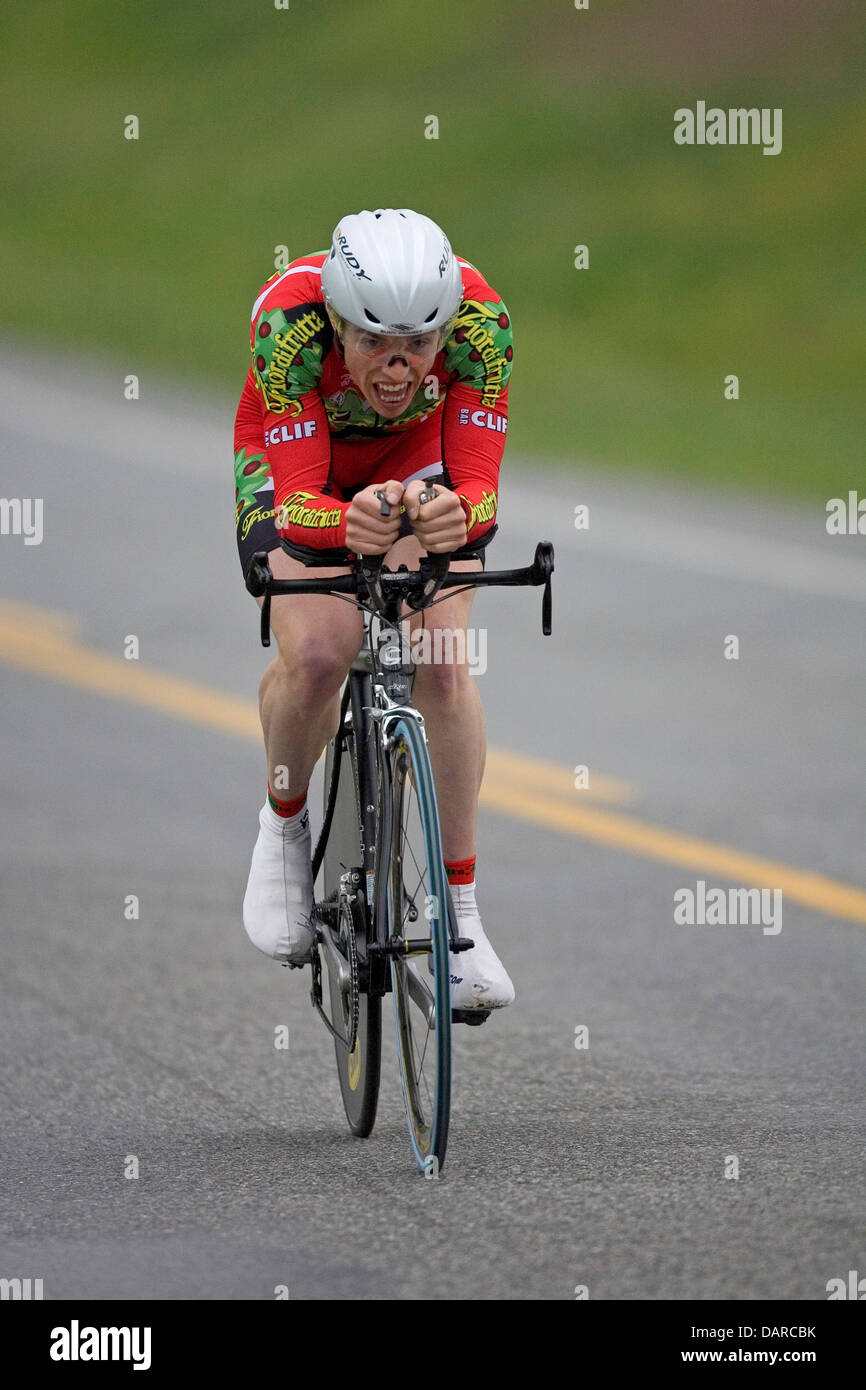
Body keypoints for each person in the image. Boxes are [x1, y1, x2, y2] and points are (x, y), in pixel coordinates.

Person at [233, 208, 515, 1010]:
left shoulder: (483, 327)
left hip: (417, 461)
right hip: (299, 460)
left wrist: (457, 515)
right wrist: (338, 519)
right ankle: (284, 829)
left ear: (446, 329)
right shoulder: (286, 323)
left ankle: (457, 918)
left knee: (444, 663)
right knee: (320, 652)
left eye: (417, 347)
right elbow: (296, 509)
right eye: (371, 344)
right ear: (334, 320)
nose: (396, 370)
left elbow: (480, 488)